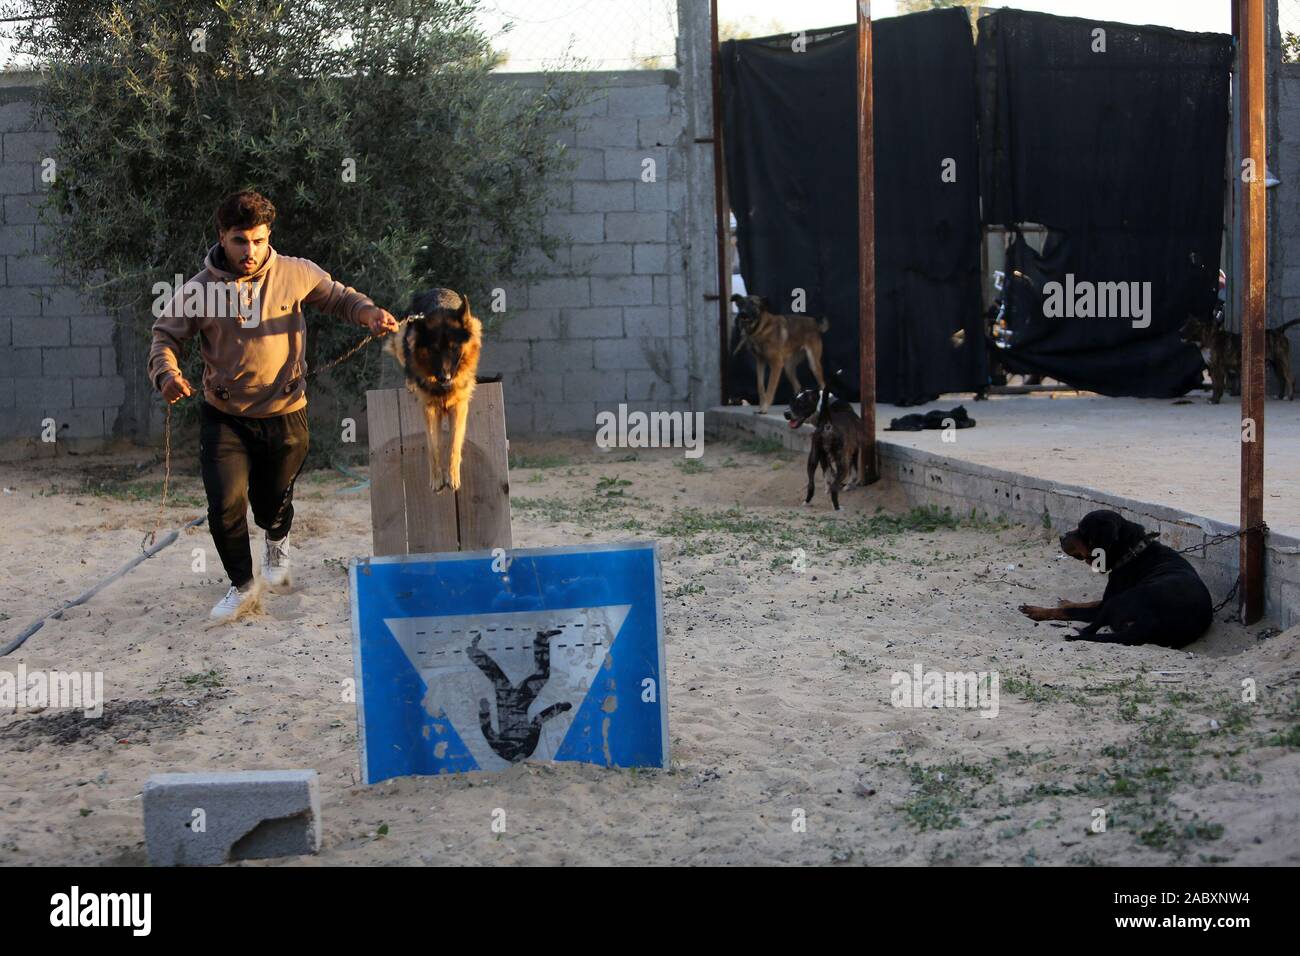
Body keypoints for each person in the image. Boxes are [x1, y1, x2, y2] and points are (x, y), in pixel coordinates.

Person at [148, 190, 398, 619]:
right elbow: (165, 337)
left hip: (285, 414)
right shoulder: (198, 291)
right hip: (225, 417)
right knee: (225, 503)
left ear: (269, 236)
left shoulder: (295, 273)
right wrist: (167, 376)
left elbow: (340, 297)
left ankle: (277, 540)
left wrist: (368, 313)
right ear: (222, 237)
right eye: (240, 241)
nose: (250, 251)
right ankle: (242, 586)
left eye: (259, 240)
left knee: (270, 504)